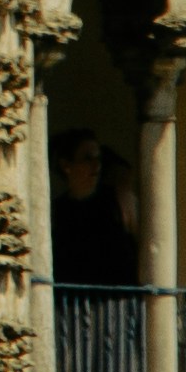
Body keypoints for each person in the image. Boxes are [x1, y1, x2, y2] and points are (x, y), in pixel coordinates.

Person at [51, 123, 135, 289]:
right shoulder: (57, 210)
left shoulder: (118, 201)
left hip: (115, 304)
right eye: (88, 159)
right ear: (66, 165)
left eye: (98, 159)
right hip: (72, 306)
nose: (96, 166)